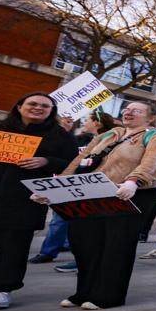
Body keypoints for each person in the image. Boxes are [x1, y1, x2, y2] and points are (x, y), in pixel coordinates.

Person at [43, 99, 156, 310]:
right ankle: (84, 292)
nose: (129, 112)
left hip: (130, 194)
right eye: (127, 109)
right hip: (92, 193)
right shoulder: (108, 135)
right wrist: (56, 186)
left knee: (116, 245)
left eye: (137, 110)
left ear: (151, 117)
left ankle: (109, 295)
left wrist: (134, 181)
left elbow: (154, 162)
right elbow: (81, 161)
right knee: (84, 242)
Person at [0, 92, 81, 310]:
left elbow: (72, 164)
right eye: (32, 104)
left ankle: (1, 289)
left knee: (12, 246)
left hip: (24, 200)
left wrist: (47, 161)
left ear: (51, 111)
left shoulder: (60, 135)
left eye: (45, 106)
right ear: (20, 106)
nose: (38, 108)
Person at [34, 112, 115, 272]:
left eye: (88, 120)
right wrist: (65, 130)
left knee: (84, 225)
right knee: (60, 218)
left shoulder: (111, 139)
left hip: (92, 186)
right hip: (71, 183)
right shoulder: (81, 139)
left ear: (97, 123)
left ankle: (80, 258)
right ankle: (49, 252)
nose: (84, 122)